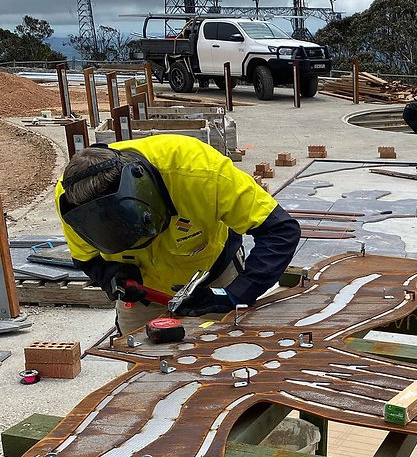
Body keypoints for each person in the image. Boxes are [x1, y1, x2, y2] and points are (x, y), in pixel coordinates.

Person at [55, 135, 301, 333]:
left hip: (213, 274)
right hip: (144, 293)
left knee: (226, 356)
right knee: (143, 368)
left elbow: (280, 230)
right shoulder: (73, 202)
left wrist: (236, 293)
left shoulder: (199, 170)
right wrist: (111, 276)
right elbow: (87, 258)